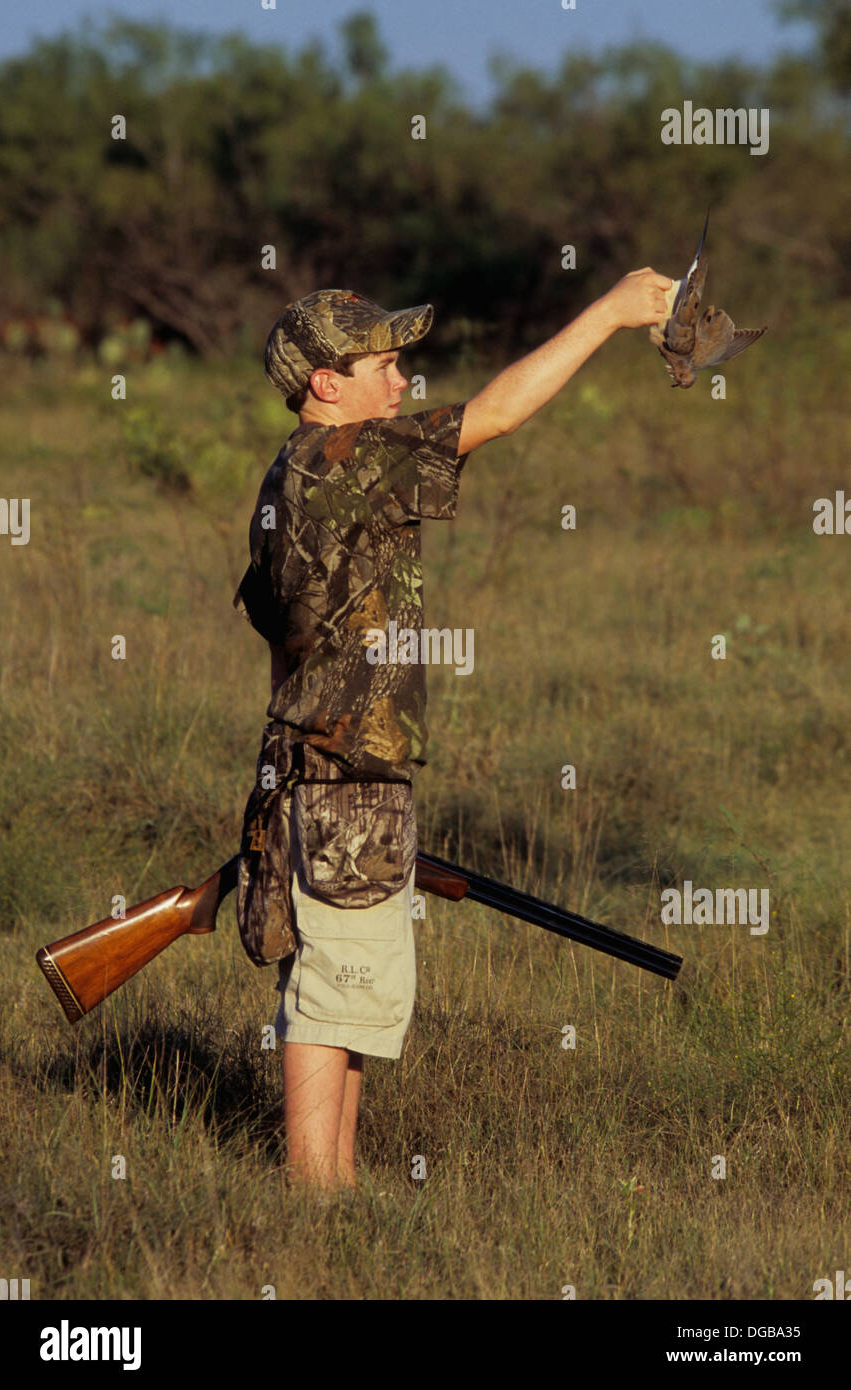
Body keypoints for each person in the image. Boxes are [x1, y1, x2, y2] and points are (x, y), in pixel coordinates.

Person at [233, 271, 671, 1193]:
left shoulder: (289, 474)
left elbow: (274, 636)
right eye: (383, 366)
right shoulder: (345, 456)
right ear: (325, 382)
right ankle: (317, 1195)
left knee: (347, 982)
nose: (401, 384)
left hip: (327, 765)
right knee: (335, 990)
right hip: (342, 773)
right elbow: (498, 416)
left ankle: (332, 1188)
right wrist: (612, 311)